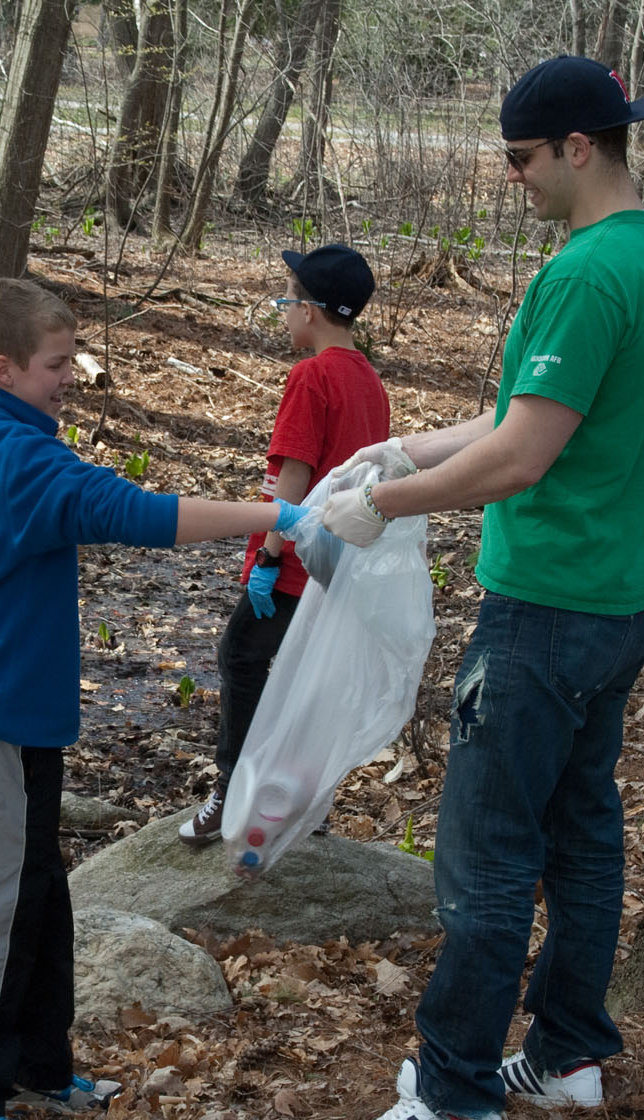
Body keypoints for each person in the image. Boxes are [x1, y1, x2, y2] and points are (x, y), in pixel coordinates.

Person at [311, 56, 644, 1120]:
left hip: (545, 610)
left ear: (578, 147)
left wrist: (381, 503)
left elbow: (522, 456)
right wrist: (406, 446)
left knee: (483, 859)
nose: (511, 177)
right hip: (616, 604)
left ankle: (458, 1093)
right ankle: (570, 1050)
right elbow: (531, 409)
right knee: (582, 836)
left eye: (520, 158)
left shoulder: (584, 274)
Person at [0, 277, 309, 1120]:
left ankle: (37, 1067)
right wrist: (276, 514)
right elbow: (136, 513)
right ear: (5, 368)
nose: (70, 378)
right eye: (57, 365)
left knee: (39, 896)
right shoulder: (10, 457)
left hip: (19, 717)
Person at [178, 244, 390, 846]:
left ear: (314, 310)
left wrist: (269, 556)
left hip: (297, 560)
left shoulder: (312, 376)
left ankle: (233, 792)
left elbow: (293, 477)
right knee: (302, 678)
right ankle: (307, 802)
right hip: (341, 562)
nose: (283, 312)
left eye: (287, 300)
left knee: (240, 658)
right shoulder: (369, 381)